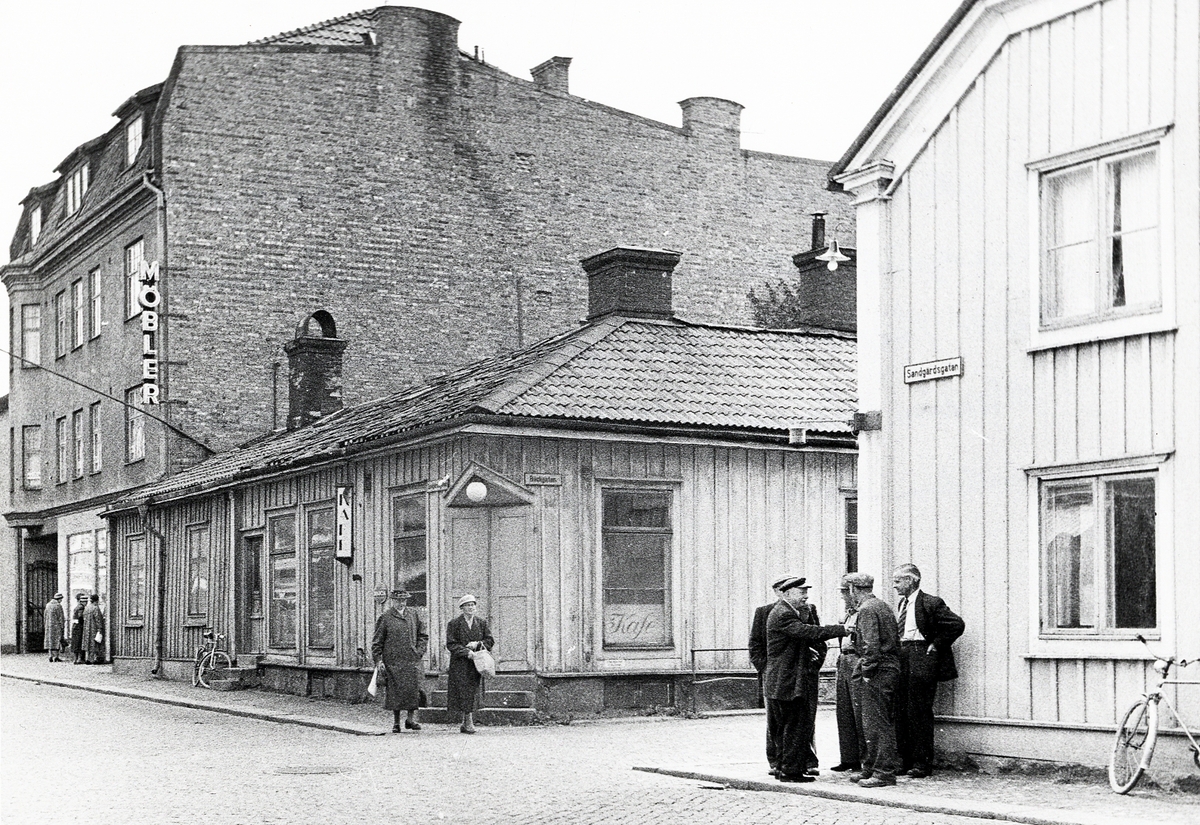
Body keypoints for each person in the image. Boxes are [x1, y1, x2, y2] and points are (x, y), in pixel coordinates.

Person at [763, 576, 846, 783]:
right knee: (794, 726)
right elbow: (807, 632)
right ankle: (792, 772)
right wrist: (841, 629)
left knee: (787, 726)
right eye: (802, 592)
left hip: (783, 680)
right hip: (787, 681)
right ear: (788, 593)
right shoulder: (784, 614)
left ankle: (785, 768)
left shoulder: (786, 611)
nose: (806, 596)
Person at [892, 563, 965, 778]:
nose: (894, 586)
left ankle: (921, 763)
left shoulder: (930, 602)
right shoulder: (902, 604)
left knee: (918, 711)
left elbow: (957, 624)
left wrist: (937, 643)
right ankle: (904, 760)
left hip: (920, 657)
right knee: (901, 709)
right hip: (903, 656)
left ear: (911, 580)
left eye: (898, 581)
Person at [843, 572, 901, 787]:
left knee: (876, 723)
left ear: (852, 589)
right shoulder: (881, 605)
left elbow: (870, 645)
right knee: (869, 723)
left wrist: (866, 672)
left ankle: (883, 772)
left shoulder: (867, 609)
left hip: (878, 670)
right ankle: (870, 767)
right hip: (884, 667)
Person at [748, 575, 791, 775]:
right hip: (773, 674)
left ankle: (806, 760)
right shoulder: (764, 612)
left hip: (799, 673)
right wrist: (766, 668)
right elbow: (755, 645)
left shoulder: (807, 610)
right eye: (783, 589)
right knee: (775, 719)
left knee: (803, 717)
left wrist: (814, 665)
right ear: (776, 591)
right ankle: (775, 760)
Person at [371, 589, 429, 733]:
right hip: (393, 661)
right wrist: (379, 660)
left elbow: (423, 635)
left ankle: (410, 720)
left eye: (403, 600)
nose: (401, 603)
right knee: (395, 692)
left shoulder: (414, 615)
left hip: (412, 660)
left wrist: (419, 651)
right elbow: (377, 642)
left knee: (413, 690)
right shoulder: (385, 617)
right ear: (392, 601)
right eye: (398, 600)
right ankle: (396, 723)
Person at [446, 594, 494, 734]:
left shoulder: (481, 623)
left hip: (477, 663)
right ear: (462, 608)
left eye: (473, 605)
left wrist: (478, 644)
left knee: (473, 691)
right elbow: (451, 644)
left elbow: (490, 641)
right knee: (463, 690)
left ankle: (467, 721)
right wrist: (466, 652)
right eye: (467, 605)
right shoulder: (454, 624)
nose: (471, 607)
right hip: (460, 662)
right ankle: (468, 721)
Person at [832, 574, 865, 772]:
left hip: (856, 659)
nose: (843, 596)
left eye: (845, 592)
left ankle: (864, 758)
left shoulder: (865, 610)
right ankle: (849, 757)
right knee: (843, 711)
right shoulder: (847, 613)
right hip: (843, 659)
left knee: (858, 708)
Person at [83, 594, 106, 664]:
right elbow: (98, 619)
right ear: (96, 600)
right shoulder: (96, 608)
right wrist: (100, 628)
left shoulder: (87, 608)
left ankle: (88, 658)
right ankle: (94, 659)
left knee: (88, 643)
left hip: (87, 628)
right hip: (94, 628)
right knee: (95, 643)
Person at [44, 593, 67, 662]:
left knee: (50, 641)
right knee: (57, 641)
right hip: (57, 626)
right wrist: (62, 626)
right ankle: (56, 656)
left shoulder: (48, 605)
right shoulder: (58, 606)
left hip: (48, 626)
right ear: (59, 599)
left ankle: (50, 655)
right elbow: (61, 617)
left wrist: (46, 624)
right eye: (61, 599)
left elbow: (45, 616)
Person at [70, 593, 87, 664]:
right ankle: (79, 659)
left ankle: (75, 659)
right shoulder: (81, 607)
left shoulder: (76, 607)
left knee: (75, 642)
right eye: (85, 602)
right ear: (82, 602)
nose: (86, 603)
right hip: (79, 626)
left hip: (74, 626)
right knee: (79, 642)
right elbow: (80, 617)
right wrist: (83, 622)